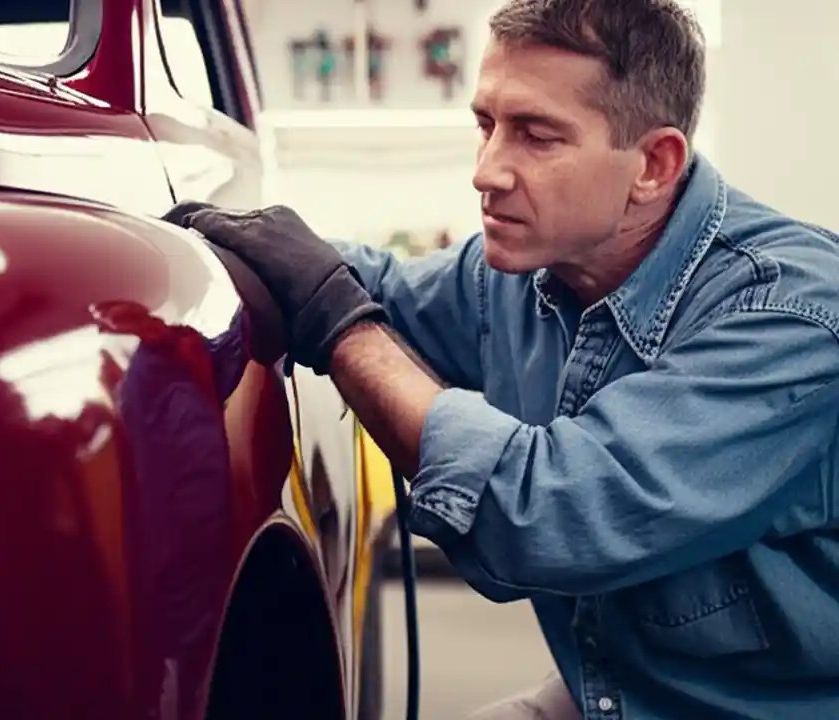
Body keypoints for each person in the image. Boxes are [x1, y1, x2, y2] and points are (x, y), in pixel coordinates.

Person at [163, 0, 839, 718]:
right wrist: (232, 247)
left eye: (537, 137)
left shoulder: (791, 317)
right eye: (487, 126)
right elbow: (378, 288)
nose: (487, 172)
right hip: (615, 693)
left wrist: (340, 327)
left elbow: (550, 514)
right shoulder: (519, 277)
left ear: (654, 164)